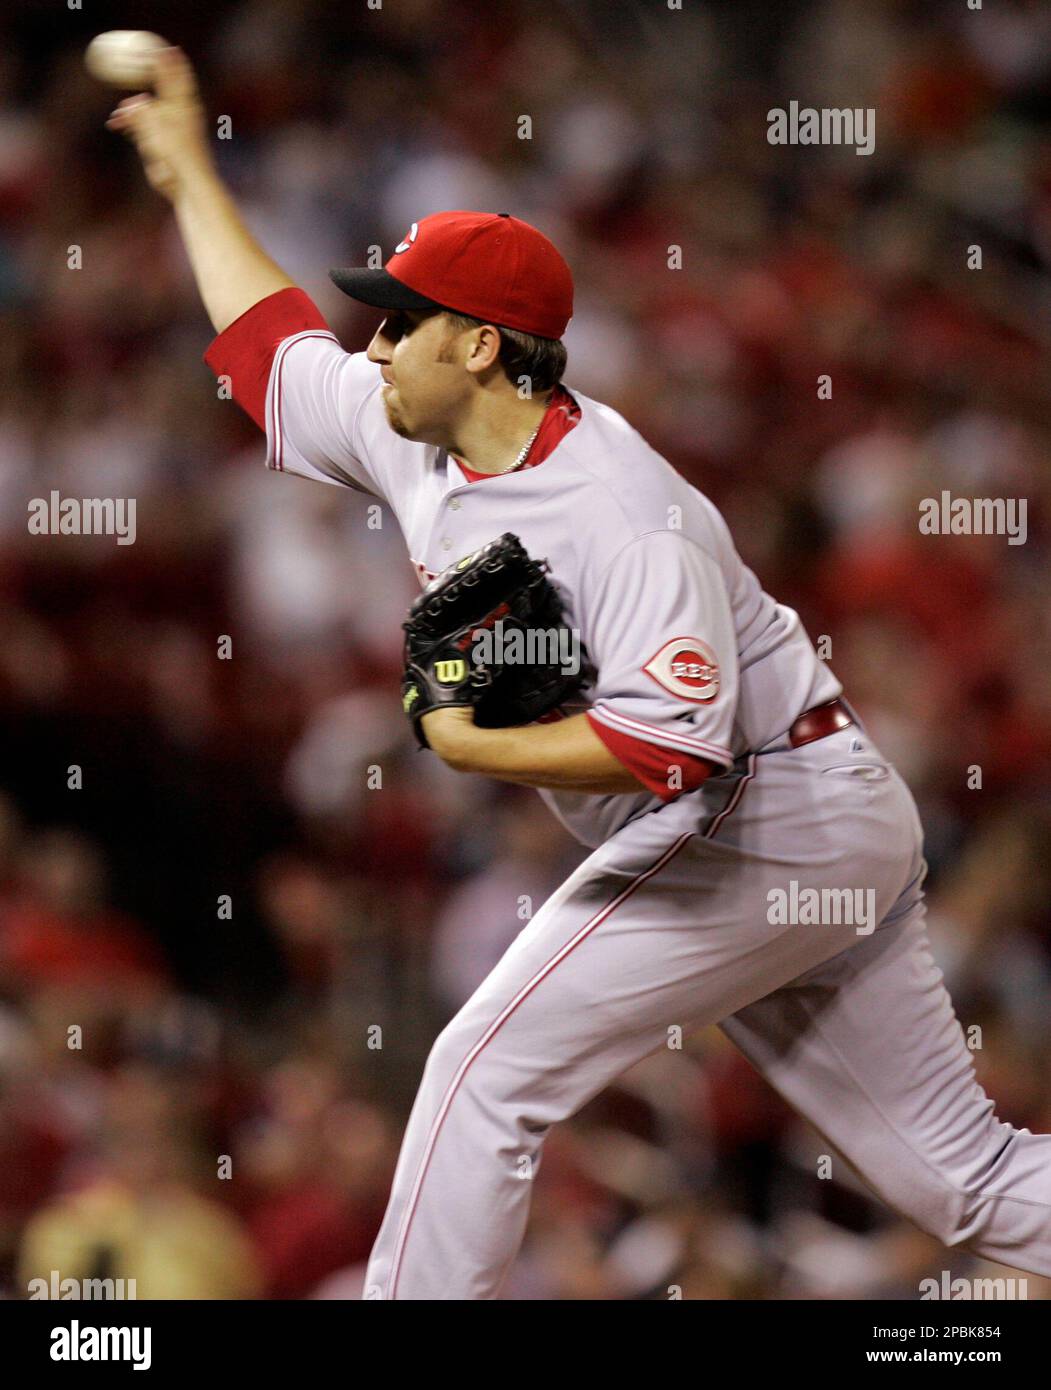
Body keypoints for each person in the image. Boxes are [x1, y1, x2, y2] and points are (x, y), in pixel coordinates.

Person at [107, 48, 1051, 1300]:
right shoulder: (422, 438)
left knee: (482, 1065)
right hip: (811, 814)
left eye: (404, 318)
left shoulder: (616, 508)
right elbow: (270, 351)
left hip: (757, 812)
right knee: (961, 1178)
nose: (374, 342)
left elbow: (678, 748)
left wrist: (470, 740)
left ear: (488, 348)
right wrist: (185, 175)